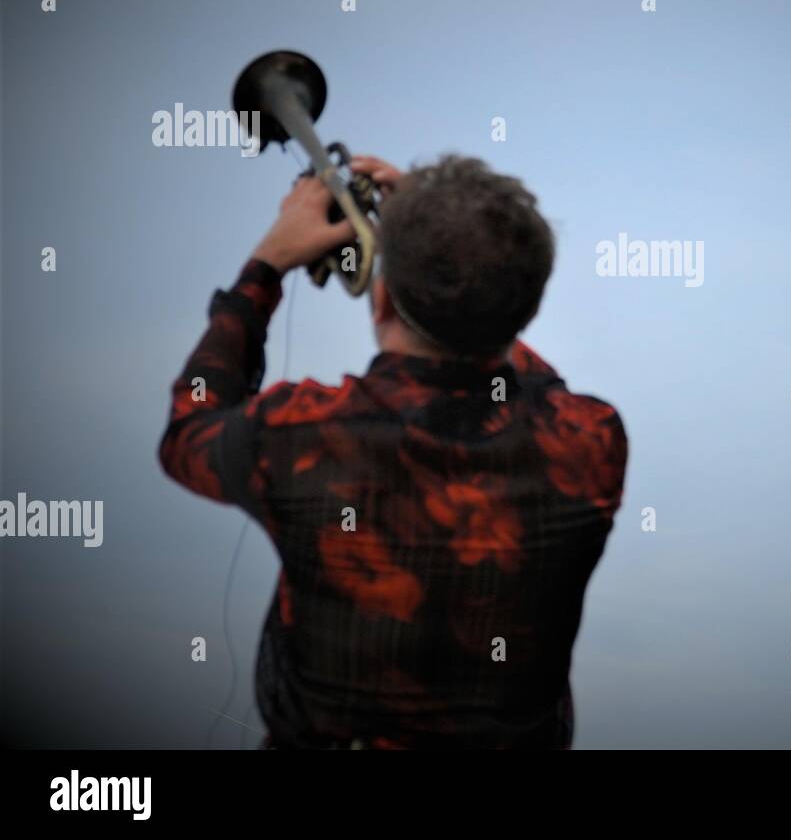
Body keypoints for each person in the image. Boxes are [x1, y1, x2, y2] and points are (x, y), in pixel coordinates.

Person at [158, 154, 628, 749]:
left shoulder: (298, 435)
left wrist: (266, 267)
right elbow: (529, 379)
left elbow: (189, 426)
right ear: (528, 309)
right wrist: (462, 245)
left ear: (379, 301)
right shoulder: (593, 442)